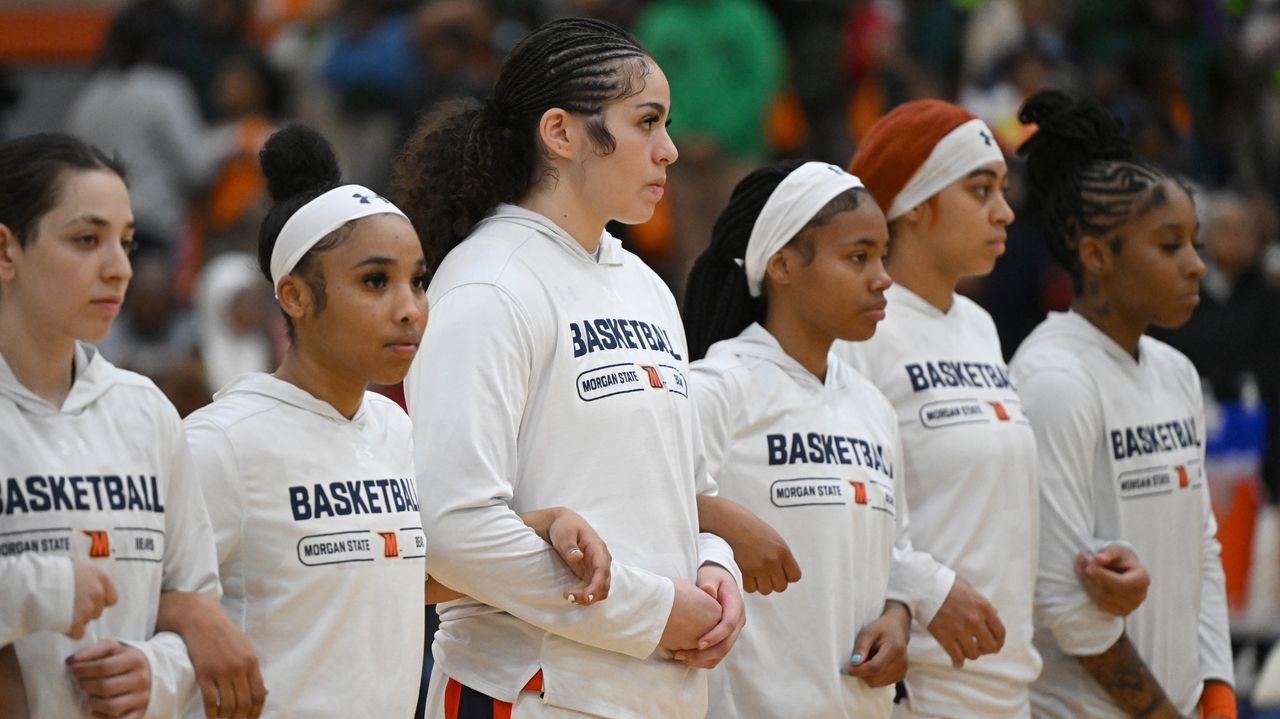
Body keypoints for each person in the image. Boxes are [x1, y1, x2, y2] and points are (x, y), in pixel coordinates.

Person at [174, 124, 611, 718]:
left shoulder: (391, 427)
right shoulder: (221, 443)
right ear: (295, 296)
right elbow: (137, 600)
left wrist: (544, 525)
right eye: (375, 281)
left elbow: (397, 572)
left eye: (417, 281)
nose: (409, 308)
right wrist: (186, 617)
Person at [394, 17, 744, 719]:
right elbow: (452, 531)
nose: (669, 148)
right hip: (527, 691)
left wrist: (715, 565)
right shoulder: (487, 284)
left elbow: (687, 494)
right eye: (646, 122)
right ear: (560, 132)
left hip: (659, 694)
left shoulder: (647, 287)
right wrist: (654, 610)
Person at [831, 98, 1149, 718]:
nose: (1004, 211)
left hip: (1007, 687)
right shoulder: (858, 333)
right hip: (912, 691)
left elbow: (992, 510)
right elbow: (837, 515)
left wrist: (1092, 558)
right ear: (915, 204)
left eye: (1003, 190)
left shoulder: (979, 326)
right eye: (981, 190)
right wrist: (926, 589)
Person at [1011, 89, 1235, 719]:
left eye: (1194, 243)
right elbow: (1063, 600)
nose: (1195, 266)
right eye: (1169, 246)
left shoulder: (1174, 371)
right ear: (1095, 255)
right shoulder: (1053, 380)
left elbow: (1201, 550)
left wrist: (1216, 691)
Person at [684, 159, 916, 718]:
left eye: (882, 256)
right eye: (858, 257)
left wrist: (898, 618)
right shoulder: (716, 388)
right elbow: (633, 511)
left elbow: (897, 556)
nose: (882, 278)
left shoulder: (873, 407)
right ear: (783, 265)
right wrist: (716, 515)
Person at [0, 133, 219, 717]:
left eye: (126, 242)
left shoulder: (146, 411)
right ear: (6, 251)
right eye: (86, 240)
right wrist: (37, 591)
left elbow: (197, 605)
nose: (121, 269)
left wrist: (155, 672)